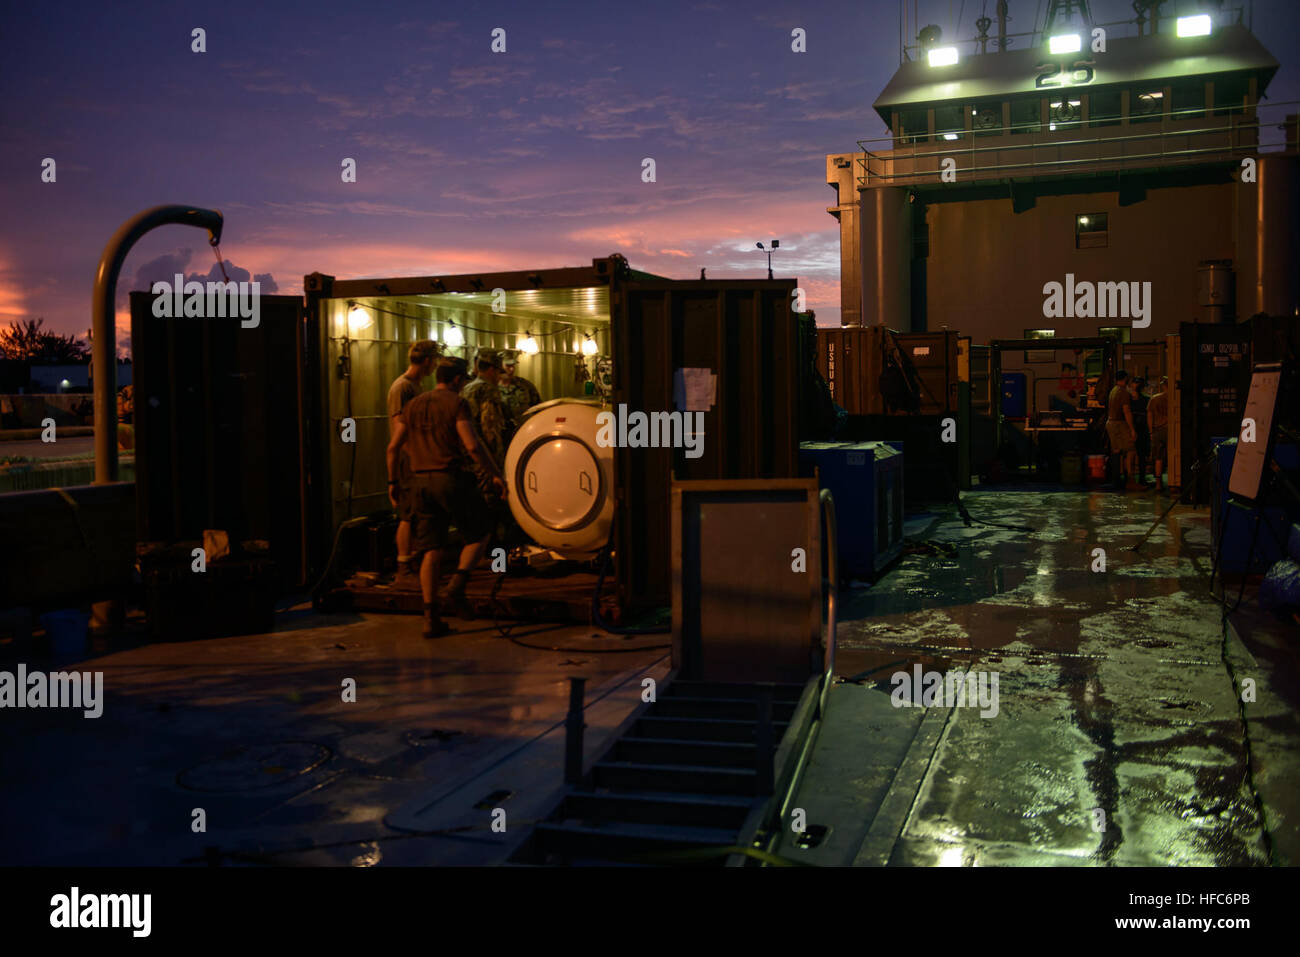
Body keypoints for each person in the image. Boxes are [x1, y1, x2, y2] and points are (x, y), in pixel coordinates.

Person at [387, 357, 507, 638]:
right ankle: (457, 585)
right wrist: (495, 474)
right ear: (457, 380)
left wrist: (393, 482)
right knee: (480, 532)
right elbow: (472, 445)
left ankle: (431, 618)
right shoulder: (456, 403)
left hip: (418, 481)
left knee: (431, 550)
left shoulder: (413, 405)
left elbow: (393, 448)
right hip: (450, 479)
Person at [387, 340, 440, 582]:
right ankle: (403, 566)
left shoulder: (416, 386)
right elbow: (399, 429)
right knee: (407, 514)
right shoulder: (402, 387)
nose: (435, 366)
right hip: (409, 459)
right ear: (427, 361)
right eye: (434, 360)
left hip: (419, 457)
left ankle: (416, 561)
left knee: (418, 512)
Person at [1105, 370, 1138, 491]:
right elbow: (1126, 411)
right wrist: (1132, 429)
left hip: (1110, 423)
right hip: (1119, 423)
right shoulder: (1123, 393)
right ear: (1125, 378)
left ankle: (1117, 480)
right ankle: (1130, 480)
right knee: (1131, 450)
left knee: (1117, 451)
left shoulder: (1113, 391)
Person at [498, 353, 542, 425]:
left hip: (524, 427)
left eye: (513, 366)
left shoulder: (525, 385)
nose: (512, 369)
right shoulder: (490, 388)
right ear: (499, 367)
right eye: (508, 366)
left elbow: (538, 407)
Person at [1147, 376, 1169, 494]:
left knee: (1158, 457)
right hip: (1170, 429)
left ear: (1163, 385)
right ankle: (1174, 482)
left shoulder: (1154, 399)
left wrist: (1151, 431)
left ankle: (1158, 484)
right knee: (1172, 456)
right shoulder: (1174, 399)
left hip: (1157, 430)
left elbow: (1150, 416)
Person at [1129, 376, 1151, 489]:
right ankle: (1137, 479)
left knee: (1140, 455)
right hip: (1137, 429)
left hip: (1140, 429)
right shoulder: (1130, 399)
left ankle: (1139, 479)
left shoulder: (1143, 399)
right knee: (1135, 455)